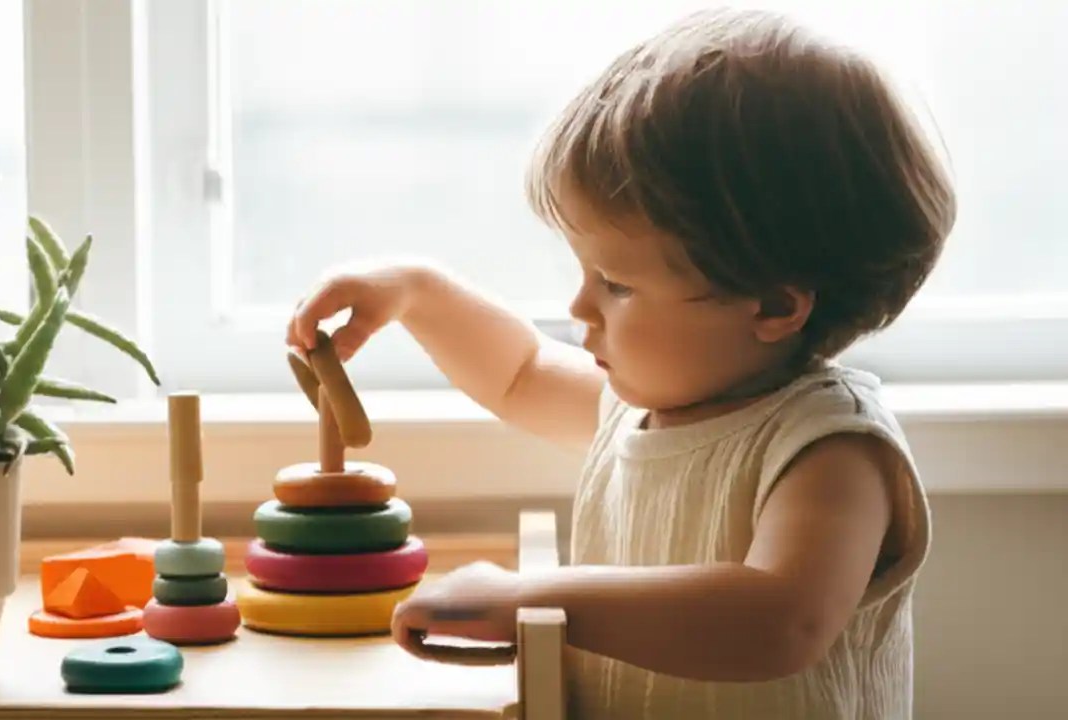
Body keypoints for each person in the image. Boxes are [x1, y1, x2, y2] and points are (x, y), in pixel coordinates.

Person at [285, 7, 954, 718]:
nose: (580, 307)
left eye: (619, 284)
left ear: (772, 307)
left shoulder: (829, 448)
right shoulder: (642, 408)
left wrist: (530, 597)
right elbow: (519, 373)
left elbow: (780, 620)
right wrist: (417, 292)